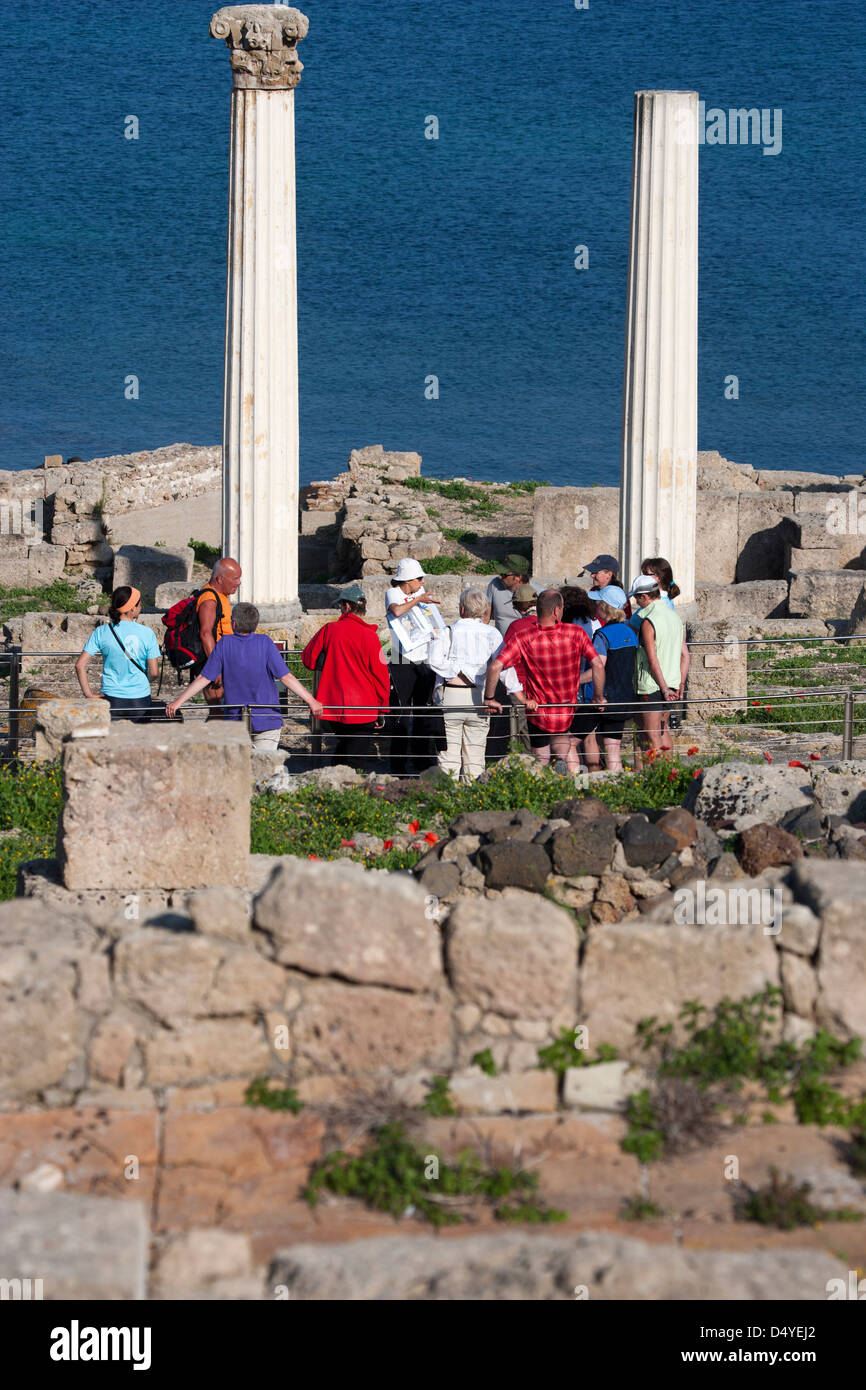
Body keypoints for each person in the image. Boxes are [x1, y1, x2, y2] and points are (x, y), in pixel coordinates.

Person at [484, 588, 605, 776]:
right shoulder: (576, 633)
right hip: (566, 709)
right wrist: (598, 697)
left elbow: (495, 667)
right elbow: (598, 665)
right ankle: (570, 788)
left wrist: (489, 698)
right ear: (556, 611)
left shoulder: (523, 636)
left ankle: (542, 791)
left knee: (540, 758)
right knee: (564, 752)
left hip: (537, 710)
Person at [165, 602, 322, 746]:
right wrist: (311, 701)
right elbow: (286, 677)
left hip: (235, 719)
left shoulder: (224, 643)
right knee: (264, 770)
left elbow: (204, 677)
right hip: (267, 718)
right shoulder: (265, 642)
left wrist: (178, 702)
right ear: (255, 624)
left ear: (233, 624)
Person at [301, 584, 390, 770]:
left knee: (345, 751)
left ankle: (337, 784)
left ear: (347, 606)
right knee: (355, 758)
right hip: (364, 708)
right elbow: (381, 676)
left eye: (341, 606)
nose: (340, 610)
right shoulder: (371, 636)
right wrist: (383, 708)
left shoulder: (330, 630)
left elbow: (308, 660)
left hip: (334, 707)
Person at [428, 588, 504, 782]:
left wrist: (456, 670)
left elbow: (433, 660)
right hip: (480, 697)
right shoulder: (492, 634)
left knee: (448, 758)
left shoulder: (447, 632)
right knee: (476, 757)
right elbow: (503, 665)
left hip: (451, 695)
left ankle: (447, 802)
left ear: (462, 609)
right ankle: (474, 801)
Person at [385, 558, 444, 774]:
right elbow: (397, 611)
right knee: (401, 712)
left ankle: (422, 763)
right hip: (403, 660)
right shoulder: (393, 593)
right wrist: (419, 599)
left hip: (424, 658)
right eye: (419, 578)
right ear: (408, 580)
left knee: (423, 712)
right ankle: (398, 766)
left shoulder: (421, 592)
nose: (422, 581)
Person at [75, 586, 160, 720]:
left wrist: (88, 693)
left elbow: (80, 665)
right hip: (139, 699)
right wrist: (142, 682)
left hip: (111, 699)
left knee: (111, 740)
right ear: (132, 608)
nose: (140, 606)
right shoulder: (147, 633)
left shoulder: (101, 631)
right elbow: (154, 673)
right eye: (139, 603)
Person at [629, 575, 686, 756]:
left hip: (654, 685)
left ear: (644, 597)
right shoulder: (675, 617)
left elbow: (652, 660)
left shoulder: (648, 621)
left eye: (637, 599)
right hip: (672, 681)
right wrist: (680, 685)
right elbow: (685, 655)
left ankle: (660, 780)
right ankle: (671, 774)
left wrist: (663, 688)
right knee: (662, 731)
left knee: (651, 735)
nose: (637, 603)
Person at [591, 600, 639, 772]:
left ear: (605, 609)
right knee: (614, 748)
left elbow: (599, 666)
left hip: (606, 697)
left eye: (597, 605)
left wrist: (575, 680)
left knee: (605, 748)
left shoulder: (602, 635)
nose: (595, 608)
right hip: (625, 696)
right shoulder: (630, 632)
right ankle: (618, 787)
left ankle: (609, 786)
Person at [195, 558, 242, 714]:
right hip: (214, 665)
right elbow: (205, 633)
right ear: (220, 579)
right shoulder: (209, 600)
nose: (239, 582)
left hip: (224, 663)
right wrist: (215, 669)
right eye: (235, 578)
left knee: (223, 712)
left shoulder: (221, 595)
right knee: (218, 713)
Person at [486, 554, 531, 636]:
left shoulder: (539, 595)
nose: (499, 577)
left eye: (504, 575)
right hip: (501, 646)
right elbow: (485, 617)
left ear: (518, 577)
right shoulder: (494, 585)